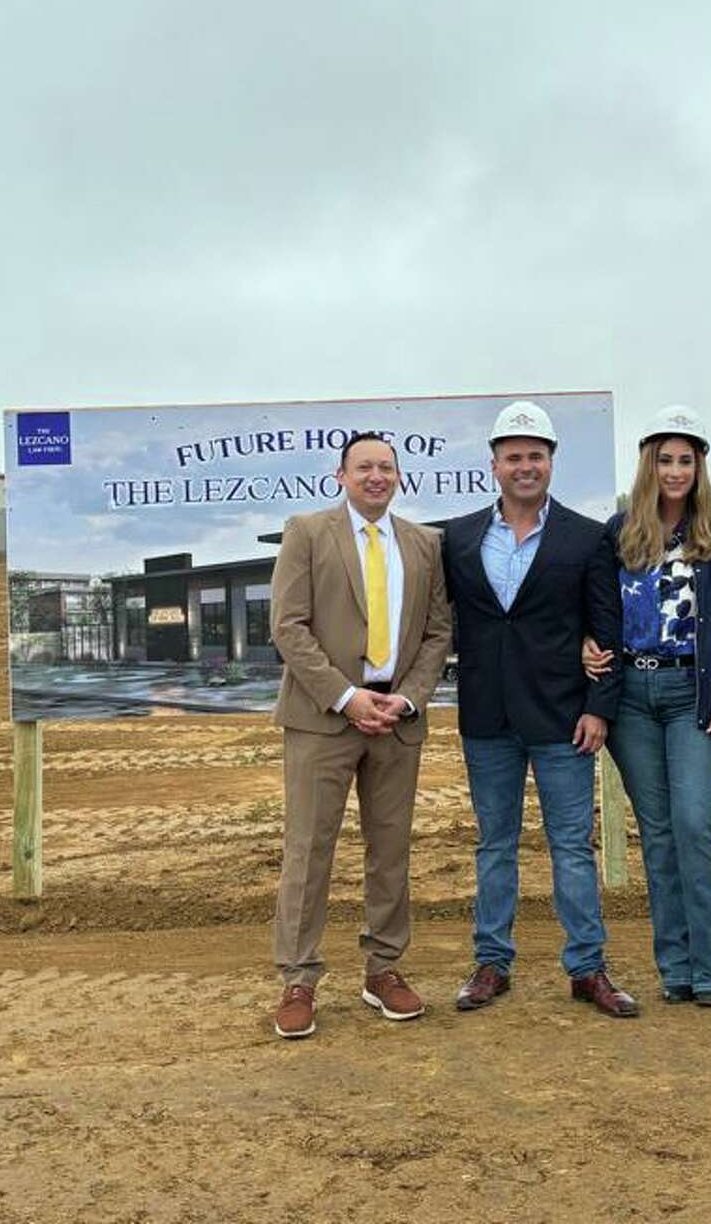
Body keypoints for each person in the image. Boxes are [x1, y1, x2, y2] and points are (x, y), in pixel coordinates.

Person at [440, 400, 636, 1018]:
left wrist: (600, 708)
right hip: (487, 718)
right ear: (494, 466)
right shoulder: (459, 537)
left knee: (571, 847)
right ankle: (491, 963)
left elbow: (607, 627)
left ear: (551, 462)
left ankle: (587, 968)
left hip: (562, 718)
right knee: (494, 844)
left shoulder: (586, 537)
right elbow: (447, 620)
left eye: (536, 456)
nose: (525, 466)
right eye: (513, 457)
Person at [268, 432, 453, 1040]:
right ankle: (299, 979)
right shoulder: (307, 532)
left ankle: (384, 969)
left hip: (396, 720)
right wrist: (347, 698)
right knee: (309, 850)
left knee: (390, 850)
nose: (376, 476)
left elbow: (437, 633)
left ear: (399, 477)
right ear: (341, 475)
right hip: (323, 718)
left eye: (386, 467)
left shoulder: (424, 544)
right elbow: (288, 626)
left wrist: (407, 697)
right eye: (364, 467)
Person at [581, 406, 711, 1006]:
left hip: (694, 697)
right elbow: (596, 609)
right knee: (657, 834)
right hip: (632, 697)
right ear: (647, 465)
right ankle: (675, 969)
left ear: (699, 467)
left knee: (694, 825)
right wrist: (586, 645)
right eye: (665, 460)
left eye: (686, 460)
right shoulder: (619, 533)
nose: (675, 471)